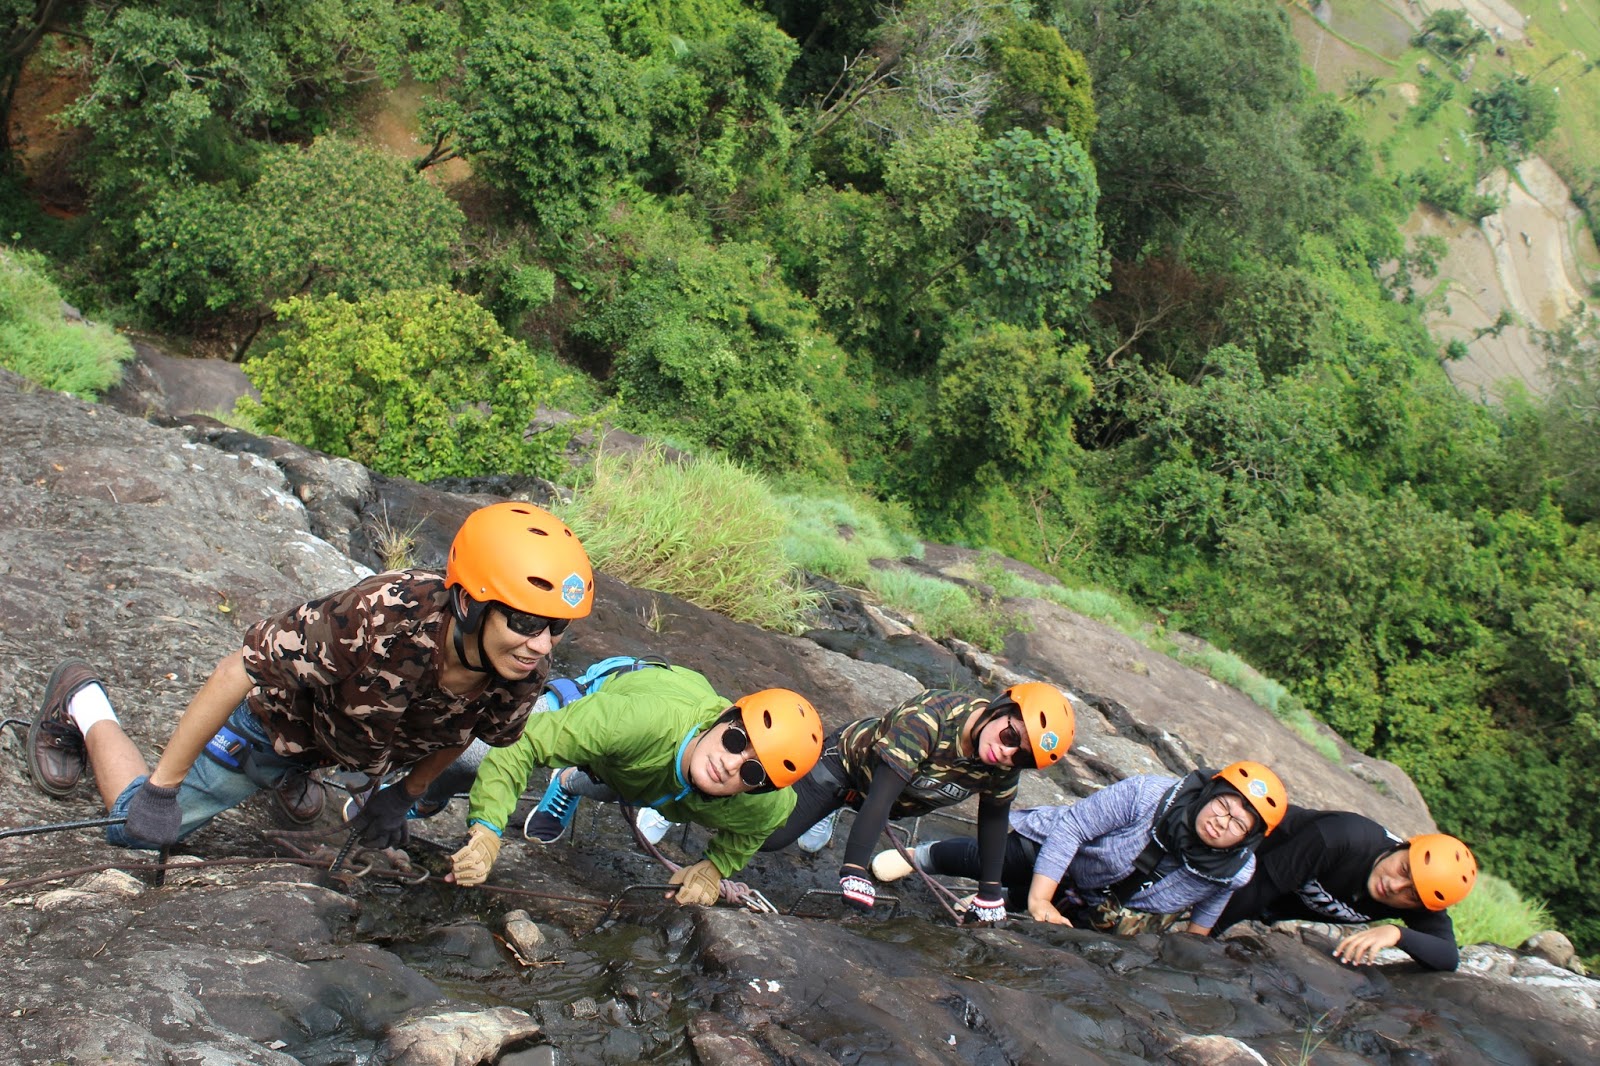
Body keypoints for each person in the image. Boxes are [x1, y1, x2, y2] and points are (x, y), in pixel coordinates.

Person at [25, 501, 592, 851]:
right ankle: (83, 701)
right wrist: (161, 789)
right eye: (524, 620)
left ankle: (299, 774)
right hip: (277, 722)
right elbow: (238, 670)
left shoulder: (524, 666)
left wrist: (405, 795)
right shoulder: (378, 617)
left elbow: (461, 731)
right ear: (470, 602)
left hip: (345, 746)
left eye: (557, 628)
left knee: (311, 795)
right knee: (135, 832)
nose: (540, 644)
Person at [447, 665, 824, 907]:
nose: (729, 764)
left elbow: (756, 828)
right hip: (613, 698)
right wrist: (487, 827)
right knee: (471, 757)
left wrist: (716, 866)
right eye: (735, 741)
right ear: (724, 718)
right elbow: (523, 741)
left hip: (641, 777)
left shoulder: (767, 804)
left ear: (760, 789)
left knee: (613, 785)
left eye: (753, 773)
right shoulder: (636, 722)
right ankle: (421, 799)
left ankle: (566, 783)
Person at [758, 683, 1076, 923]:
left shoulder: (1003, 764)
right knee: (770, 837)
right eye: (1010, 737)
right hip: (846, 769)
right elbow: (881, 798)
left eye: (1022, 756)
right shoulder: (930, 719)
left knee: (867, 806)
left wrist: (990, 894)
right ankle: (826, 805)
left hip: (895, 800)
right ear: (1000, 708)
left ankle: (833, 809)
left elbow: (993, 819)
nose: (1007, 753)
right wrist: (854, 868)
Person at [873, 761, 1287, 934]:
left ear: (1248, 838)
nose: (1221, 821)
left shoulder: (1234, 870)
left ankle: (995, 900)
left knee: (1069, 929)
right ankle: (920, 857)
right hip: (1061, 849)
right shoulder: (1147, 795)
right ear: (1209, 794)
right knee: (1004, 858)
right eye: (1222, 806)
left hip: (1097, 897)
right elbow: (1072, 828)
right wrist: (1040, 900)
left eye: (1238, 823)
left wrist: (1192, 944)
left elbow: (1209, 907)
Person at [1209, 807, 1477, 971]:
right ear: (1403, 846)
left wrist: (1397, 933)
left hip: (1257, 899)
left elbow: (1447, 956)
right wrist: (1199, 940)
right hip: (1222, 851)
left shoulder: (1420, 893)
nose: (1395, 887)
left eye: (1412, 894)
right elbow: (1256, 889)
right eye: (1403, 869)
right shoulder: (1342, 838)